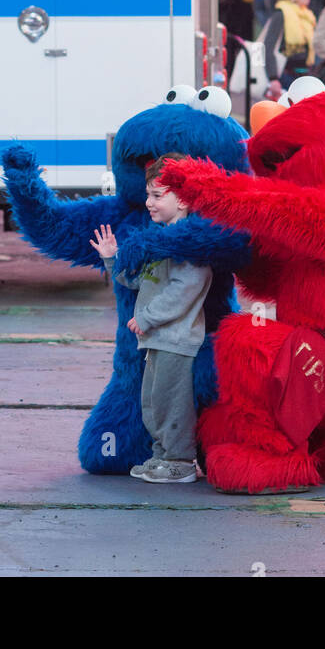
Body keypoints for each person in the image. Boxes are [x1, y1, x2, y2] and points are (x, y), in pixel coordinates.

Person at [90, 155, 212, 484]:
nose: (148, 202)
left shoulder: (189, 244)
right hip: (159, 339)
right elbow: (137, 280)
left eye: (157, 195)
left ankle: (179, 461)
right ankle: (162, 456)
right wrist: (112, 259)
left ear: (184, 199)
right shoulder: (160, 240)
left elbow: (185, 287)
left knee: (173, 403)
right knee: (154, 402)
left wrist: (147, 317)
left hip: (176, 340)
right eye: (148, 194)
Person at [260, 0, 318, 95]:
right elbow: (268, 47)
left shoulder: (307, 15)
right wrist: (273, 78)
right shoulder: (281, 14)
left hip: (305, 75)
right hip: (285, 78)